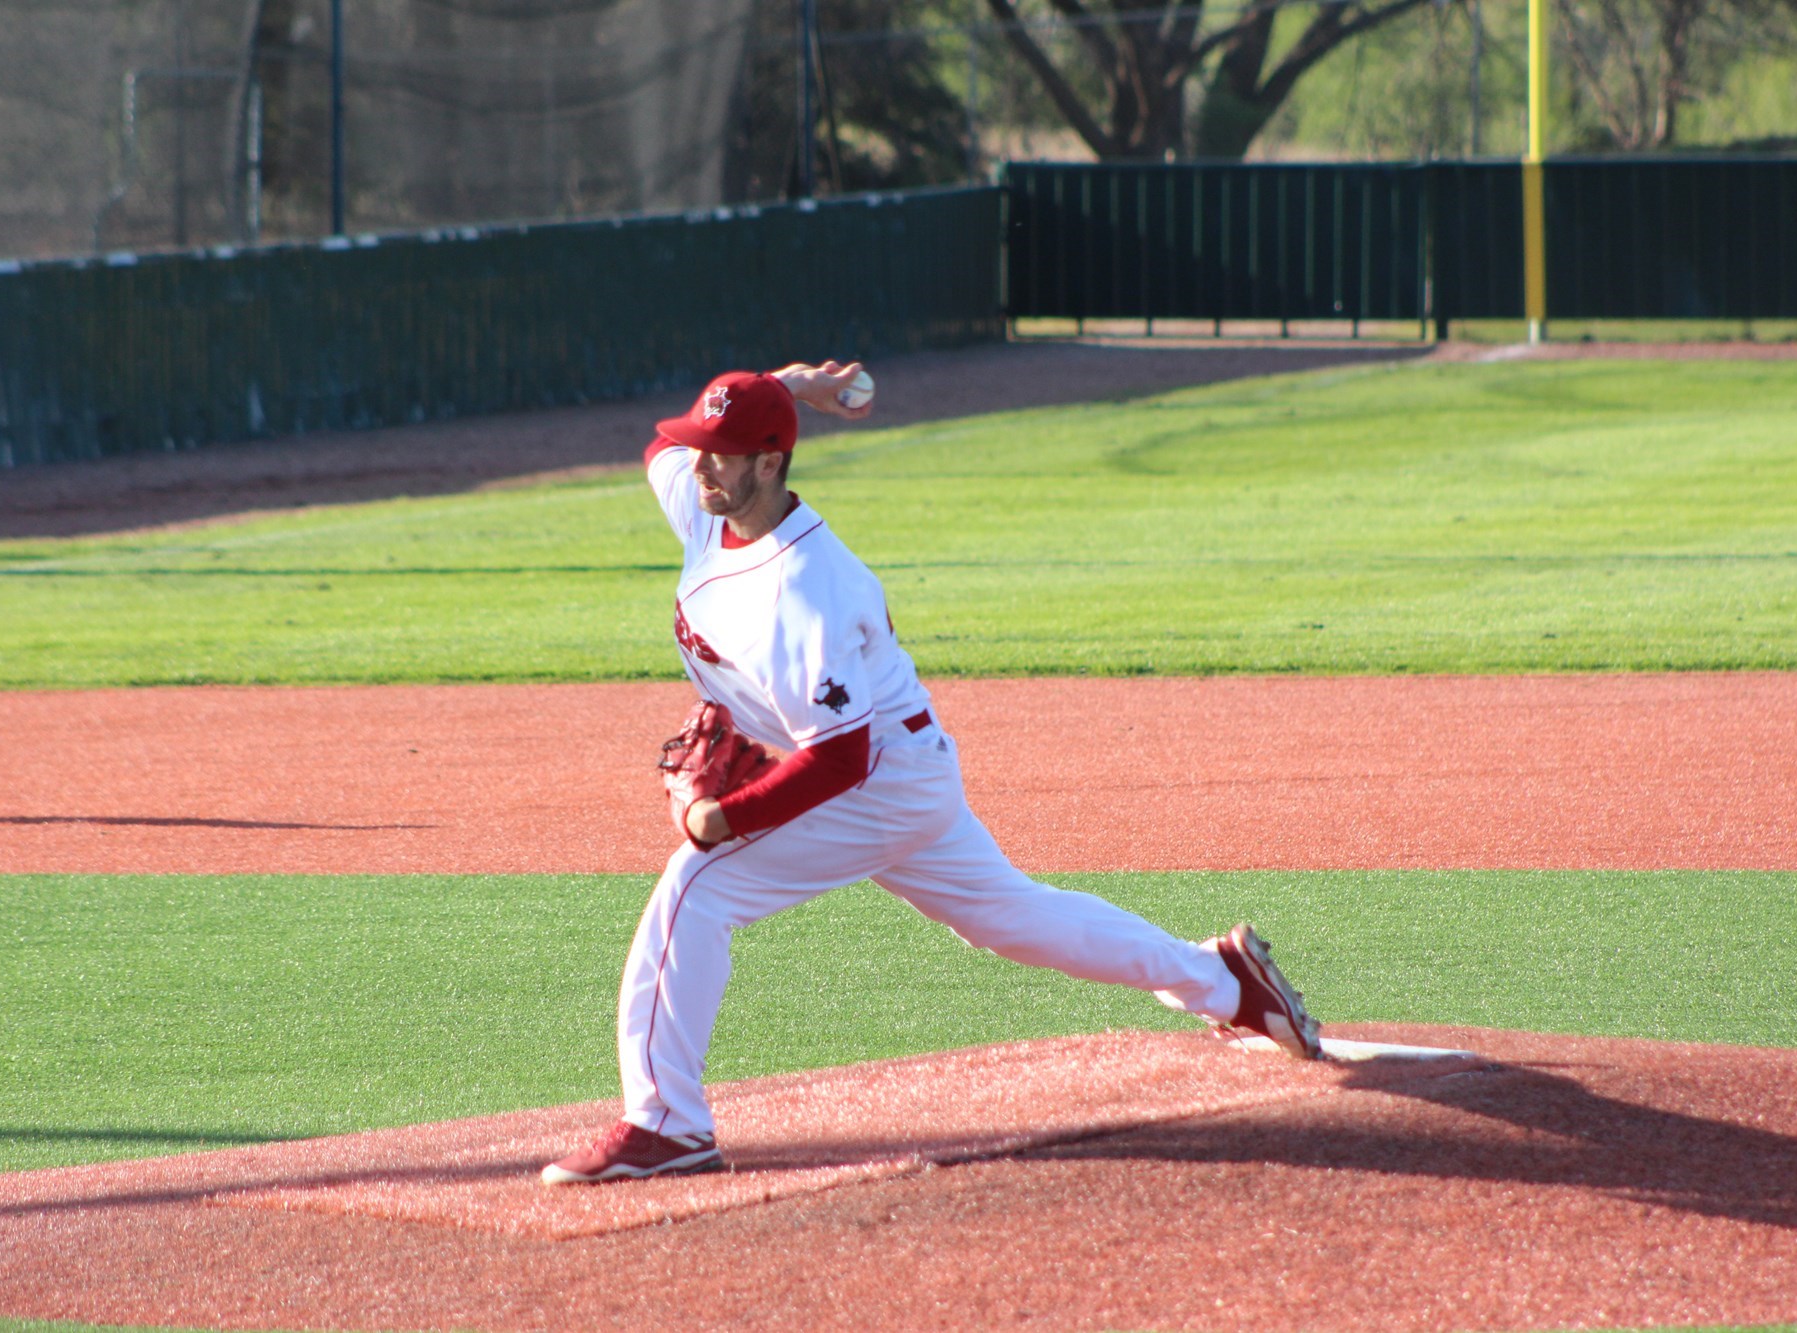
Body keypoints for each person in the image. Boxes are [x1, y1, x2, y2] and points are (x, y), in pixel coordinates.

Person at [541, 362, 1321, 1186]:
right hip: (905, 765)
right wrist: (779, 385)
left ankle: (665, 1125)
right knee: (1012, 916)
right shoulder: (710, 511)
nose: (700, 465)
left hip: (873, 780)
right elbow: (660, 443)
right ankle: (1223, 980)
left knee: (697, 886)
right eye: (706, 446)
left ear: (769, 464)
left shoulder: (806, 589)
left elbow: (836, 759)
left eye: (723, 452)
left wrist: (718, 822)